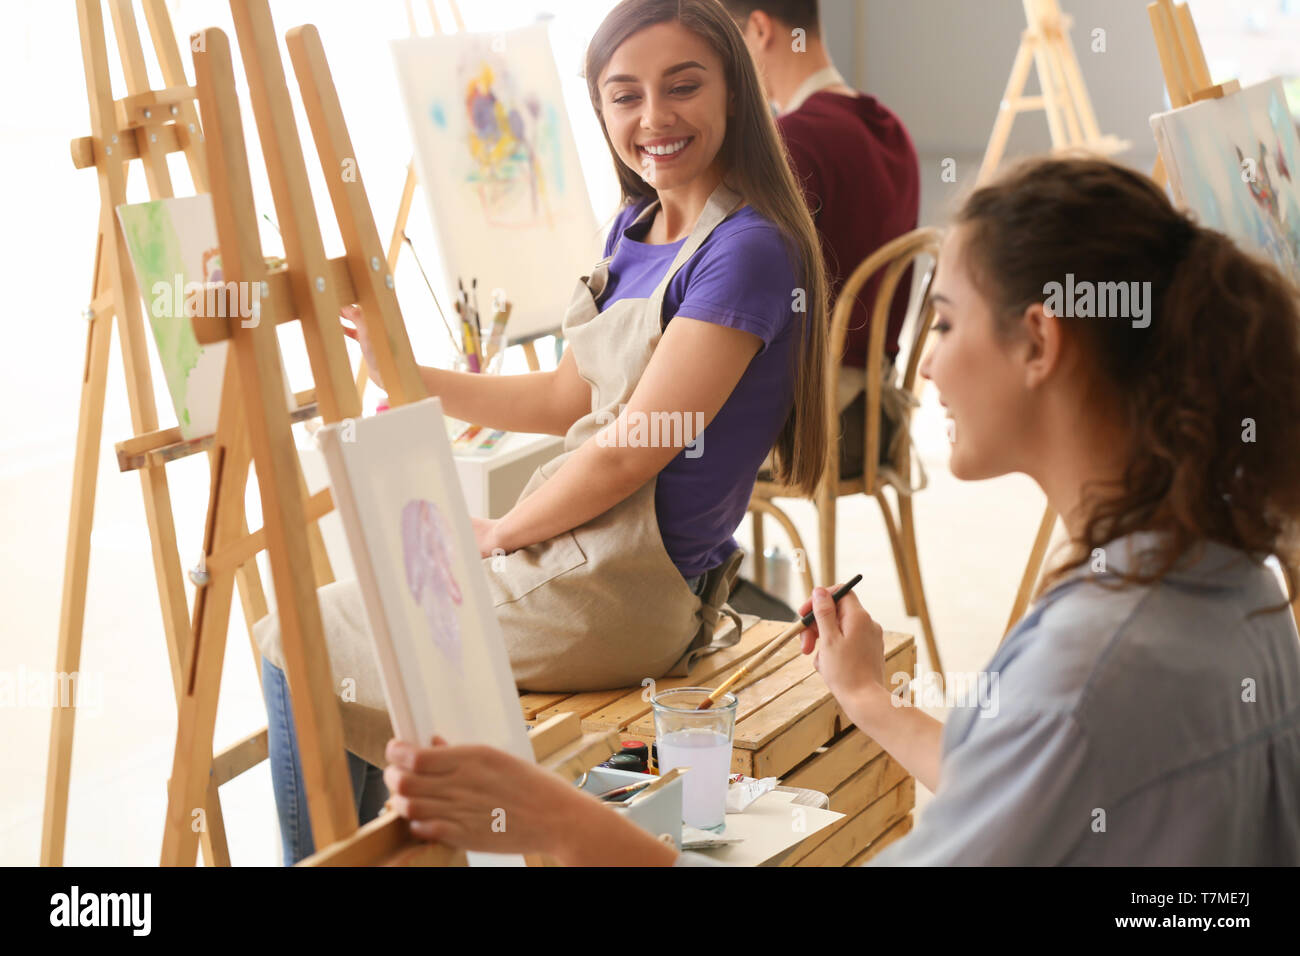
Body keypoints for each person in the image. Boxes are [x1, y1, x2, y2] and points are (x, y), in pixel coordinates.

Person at [382, 156, 1300, 866]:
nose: (927, 364)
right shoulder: (1228, 579)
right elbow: (1039, 790)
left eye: (941, 321)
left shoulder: (1094, 660)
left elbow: (1060, 737)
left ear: (1039, 343)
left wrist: (564, 824)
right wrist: (868, 700)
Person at [256, 0, 830, 864]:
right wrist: (407, 374)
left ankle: (324, 858)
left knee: (292, 631)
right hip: (585, 557)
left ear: (735, 91)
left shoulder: (744, 249)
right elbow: (569, 397)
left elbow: (635, 443)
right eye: (624, 95)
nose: (654, 118)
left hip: (623, 590)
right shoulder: (640, 226)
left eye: (683, 87)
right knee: (338, 623)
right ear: (598, 110)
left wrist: (499, 534)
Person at [724, 0, 920, 478]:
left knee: (652, 440)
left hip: (817, 430)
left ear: (759, 29)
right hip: (877, 419)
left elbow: (741, 293)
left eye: (725, 44)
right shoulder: (888, 127)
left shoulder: (790, 140)